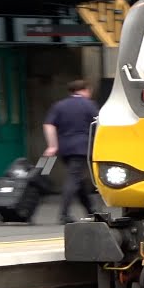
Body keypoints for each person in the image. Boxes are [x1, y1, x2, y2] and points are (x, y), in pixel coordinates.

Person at [44, 79, 100, 225]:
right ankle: (64, 214)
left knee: (78, 179)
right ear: (86, 90)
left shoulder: (59, 105)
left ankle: (90, 210)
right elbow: (99, 124)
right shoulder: (89, 105)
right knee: (74, 179)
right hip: (82, 147)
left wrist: (52, 145)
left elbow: (49, 125)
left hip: (65, 148)